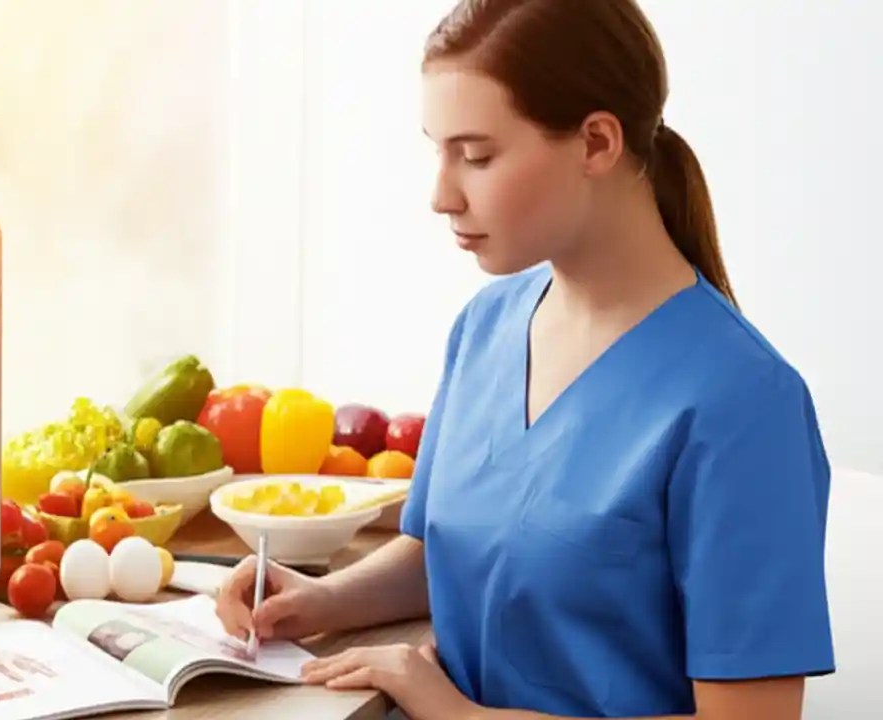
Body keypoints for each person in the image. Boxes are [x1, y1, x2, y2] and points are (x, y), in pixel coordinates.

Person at [215, 1, 834, 718]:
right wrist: (319, 600)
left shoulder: (743, 405)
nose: (441, 195)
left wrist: (458, 713)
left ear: (597, 143)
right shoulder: (487, 327)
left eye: (476, 156)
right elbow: (457, 554)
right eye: (437, 150)